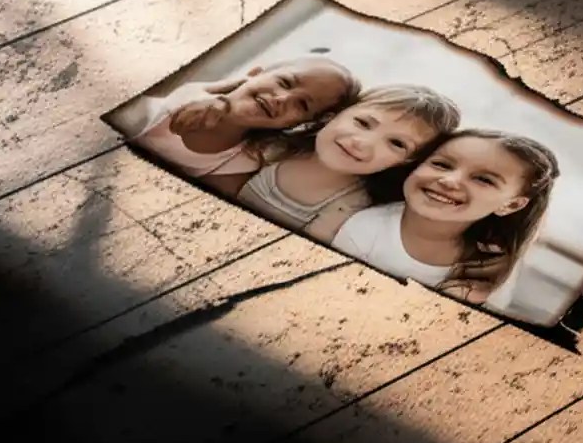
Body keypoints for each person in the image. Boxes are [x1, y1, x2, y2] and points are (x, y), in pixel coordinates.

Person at [331, 129, 559, 304]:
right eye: (441, 164)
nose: (449, 181)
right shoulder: (365, 229)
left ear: (511, 205)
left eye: (483, 179)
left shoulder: (494, 264)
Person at [221, 85, 461, 241]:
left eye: (397, 144)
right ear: (334, 114)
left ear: (405, 162)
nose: (362, 144)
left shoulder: (351, 204)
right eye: (363, 123)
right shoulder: (275, 149)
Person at [127, 55, 361, 181]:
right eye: (285, 82)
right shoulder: (188, 94)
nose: (281, 98)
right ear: (255, 73)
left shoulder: (243, 160)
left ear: (299, 124)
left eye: (301, 104)